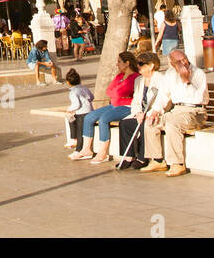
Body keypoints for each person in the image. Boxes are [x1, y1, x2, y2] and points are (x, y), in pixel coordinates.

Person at [140, 49, 207, 177]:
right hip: (176, 110)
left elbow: (198, 98)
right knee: (150, 121)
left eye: (184, 59)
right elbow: (163, 95)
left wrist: (186, 81)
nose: (183, 63)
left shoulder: (198, 73)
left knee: (172, 125)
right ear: (171, 63)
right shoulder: (170, 74)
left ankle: (177, 163)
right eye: (178, 62)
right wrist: (155, 111)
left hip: (194, 110)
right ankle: (157, 160)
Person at [70, 52, 138, 164]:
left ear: (127, 63)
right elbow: (109, 91)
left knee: (104, 119)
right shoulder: (119, 76)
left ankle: (103, 152)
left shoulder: (135, 77)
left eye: (119, 62)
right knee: (89, 117)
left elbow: (121, 91)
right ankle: (86, 149)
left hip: (127, 106)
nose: (117, 64)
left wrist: (117, 92)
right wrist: (117, 92)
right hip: (114, 104)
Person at [116, 51, 162, 169]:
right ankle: (128, 156)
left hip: (154, 114)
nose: (138, 66)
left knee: (145, 125)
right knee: (125, 124)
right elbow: (136, 101)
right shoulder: (139, 80)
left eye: (141, 63)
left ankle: (143, 157)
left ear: (151, 66)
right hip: (141, 113)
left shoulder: (161, 79)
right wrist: (138, 113)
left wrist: (148, 114)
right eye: (138, 63)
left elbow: (162, 101)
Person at [63, 69, 94, 155]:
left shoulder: (73, 92)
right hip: (90, 111)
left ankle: (78, 149)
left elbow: (76, 105)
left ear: (68, 82)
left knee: (80, 131)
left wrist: (69, 109)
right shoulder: (85, 88)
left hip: (82, 114)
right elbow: (92, 97)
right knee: (72, 120)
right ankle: (74, 140)